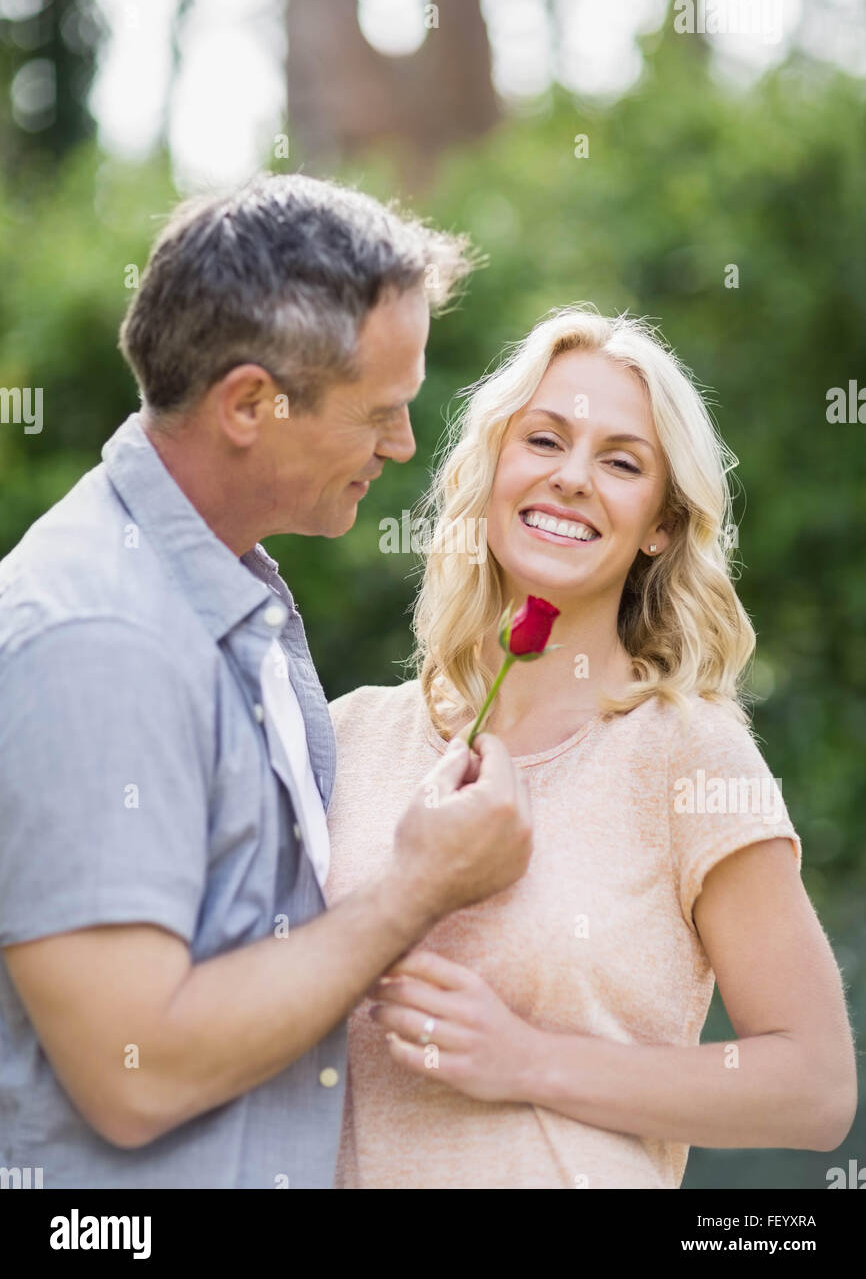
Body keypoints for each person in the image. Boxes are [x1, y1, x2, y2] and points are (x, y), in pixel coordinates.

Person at [0, 173, 533, 1189]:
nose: (402, 444)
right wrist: (417, 889)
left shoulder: (224, 595)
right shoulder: (96, 638)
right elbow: (136, 1071)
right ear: (250, 401)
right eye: (378, 411)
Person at [323, 305, 858, 1189]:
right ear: (492, 467)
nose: (573, 478)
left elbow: (815, 1085)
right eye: (543, 440)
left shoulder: (692, 756)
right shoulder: (347, 736)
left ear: (658, 523)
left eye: (620, 462)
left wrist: (527, 1060)